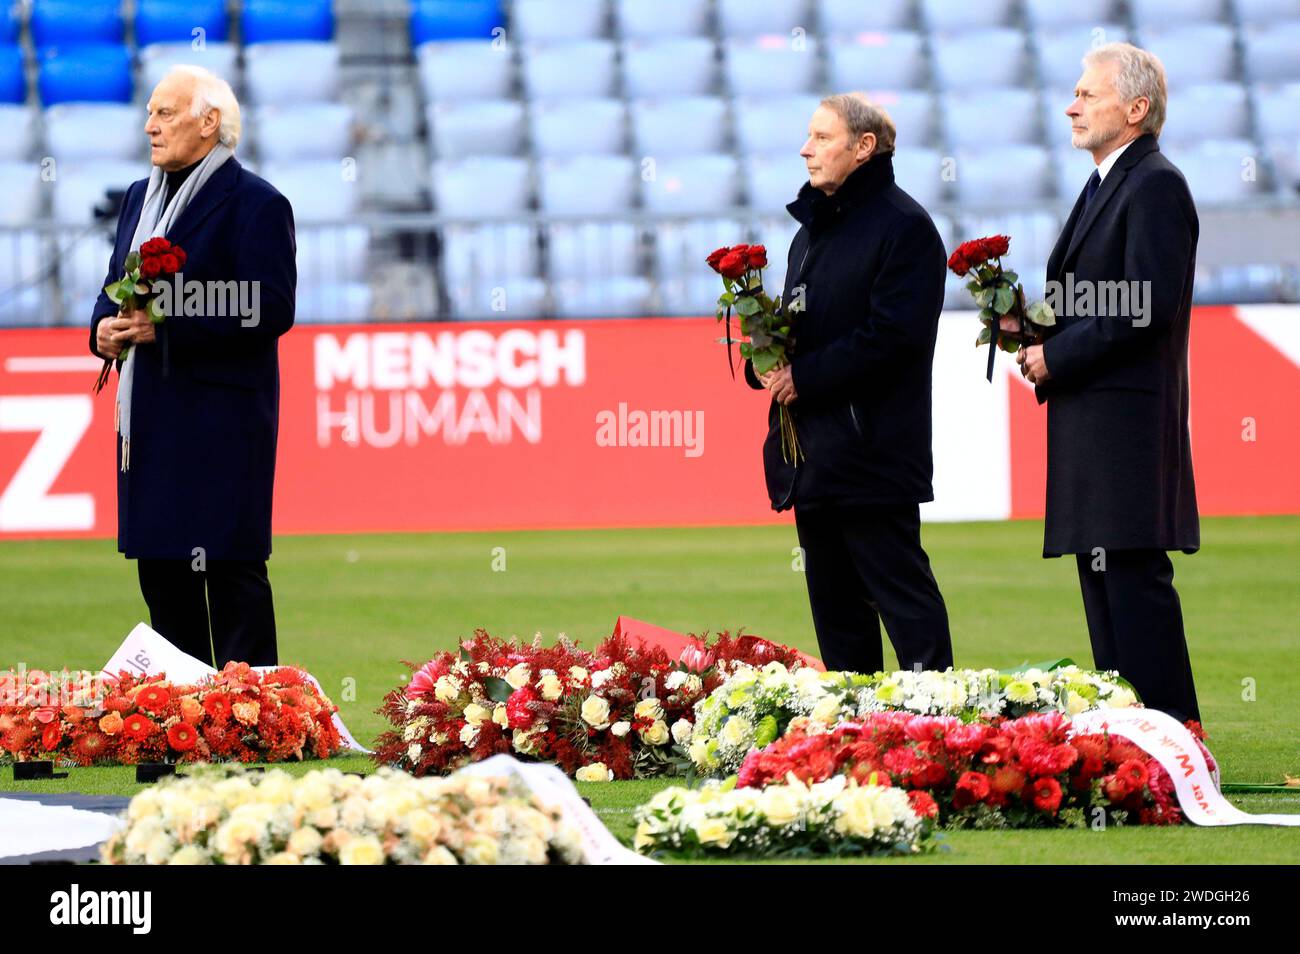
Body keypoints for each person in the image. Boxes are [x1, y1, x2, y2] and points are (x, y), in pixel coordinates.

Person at [1014, 43, 1201, 722]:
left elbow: (1142, 304)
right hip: (1094, 429)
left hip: (1126, 431)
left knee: (1133, 587)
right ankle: (1136, 738)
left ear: (1136, 108)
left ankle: (1177, 740)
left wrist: (1054, 359)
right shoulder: (1106, 183)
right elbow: (1091, 300)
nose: (1072, 105)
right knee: (1106, 590)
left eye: (1088, 94)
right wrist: (1027, 325)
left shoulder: (1154, 183)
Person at [89, 65, 296, 668]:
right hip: (151, 420)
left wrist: (169, 323)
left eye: (166, 114)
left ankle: (253, 724)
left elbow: (270, 305)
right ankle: (182, 723)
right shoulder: (138, 196)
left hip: (222, 426)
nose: (150, 126)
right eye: (150, 113)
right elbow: (114, 289)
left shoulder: (257, 202)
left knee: (232, 576)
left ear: (210, 122)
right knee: (164, 577)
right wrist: (103, 328)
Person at [746, 92, 953, 675]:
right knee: (838, 618)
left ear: (864, 148)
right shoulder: (809, 232)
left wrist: (804, 376)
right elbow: (799, 326)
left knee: (903, 601)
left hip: (873, 453)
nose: (806, 150)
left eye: (821, 138)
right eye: (808, 137)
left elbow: (894, 337)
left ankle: (935, 730)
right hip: (813, 456)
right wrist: (761, 358)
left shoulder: (905, 227)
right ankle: (851, 741)